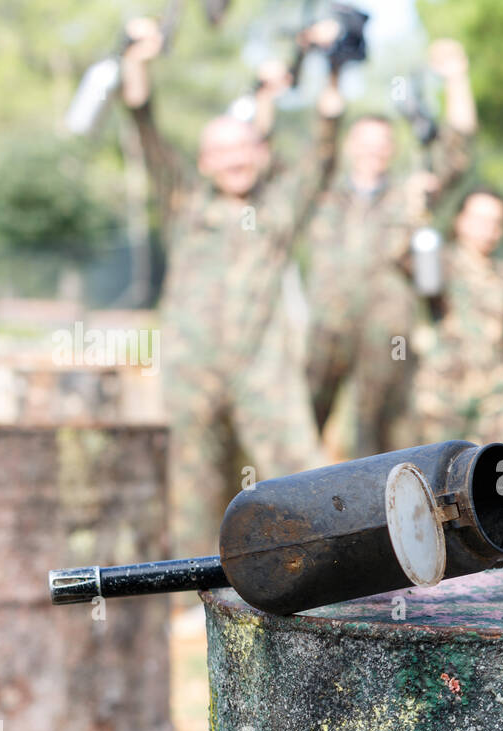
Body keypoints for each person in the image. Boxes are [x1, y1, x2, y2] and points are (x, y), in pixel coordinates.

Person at [119, 15, 346, 561]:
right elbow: (143, 123)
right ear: (203, 162)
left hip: (262, 371)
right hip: (191, 371)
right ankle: (190, 599)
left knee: (299, 478)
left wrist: (329, 65)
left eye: (244, 148)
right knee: (192, 490)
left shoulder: (278, 208)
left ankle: (321, 580)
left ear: (261, 152)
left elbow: (324, 149)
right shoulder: (184, 203)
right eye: (221, 152)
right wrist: (136, 63)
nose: (235, 159)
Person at [305, 38, 476, 458]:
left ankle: (381, 520)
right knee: (302, 429)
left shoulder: (410, 194)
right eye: (365, 143)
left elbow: (456, 152)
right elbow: (317, 136)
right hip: (325, 333)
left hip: (387, 340)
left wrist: (456, 78)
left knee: (383, 445)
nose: (373, 152)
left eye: (382, 145)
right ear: (348, 146)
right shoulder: (320, 194)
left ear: (393, 151)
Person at [406, 187, 503, 448]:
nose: (488, 229)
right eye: (480, 219)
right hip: (442, 398)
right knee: (439, 480)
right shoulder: (438, 262)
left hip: (496, 400)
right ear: (460, 220)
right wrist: (415, 209)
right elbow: (403, 257)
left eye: (496, 222)